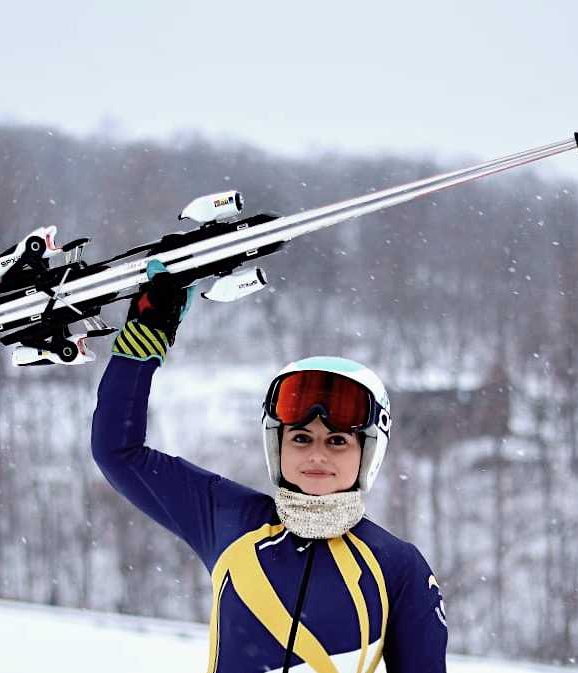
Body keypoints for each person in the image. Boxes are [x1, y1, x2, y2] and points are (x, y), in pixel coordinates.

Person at [91, 261, 448, 672]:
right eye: (300, 438)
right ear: (275, 446)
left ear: (369, 453)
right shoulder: (227, 519)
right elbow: (117, 452)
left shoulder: (397, 566)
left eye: (337, 441)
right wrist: (143, 342)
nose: (317, 455)